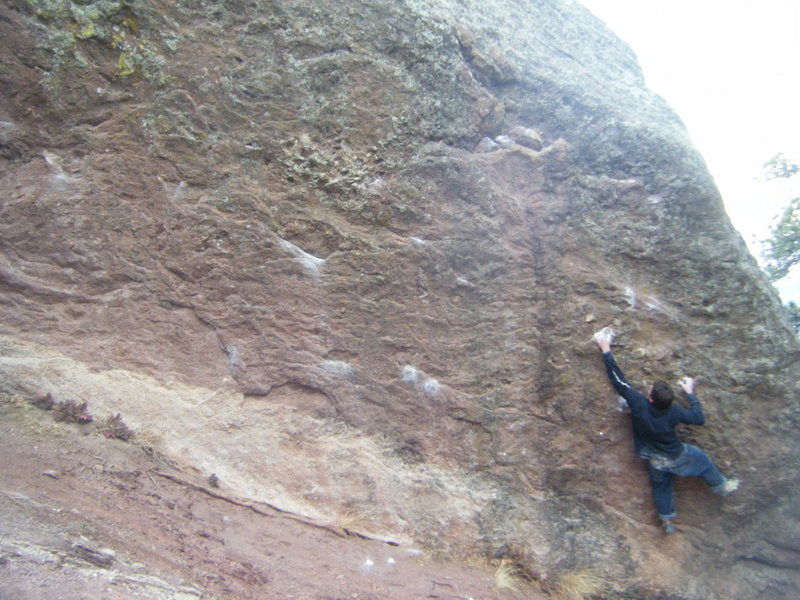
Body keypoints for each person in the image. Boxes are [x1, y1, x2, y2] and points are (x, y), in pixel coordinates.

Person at [593, 327, 739, 533]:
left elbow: (619, 381)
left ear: (650, 398)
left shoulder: (639, 405)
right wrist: (690, 394)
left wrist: (605, 348)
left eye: (650, 390)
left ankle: (667, 521)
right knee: (702, 460)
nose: (648, 390)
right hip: (676, 455)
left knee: (661, 487)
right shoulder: (674, 411)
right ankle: (721, 486)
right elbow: (698, 418)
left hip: (655, 458)